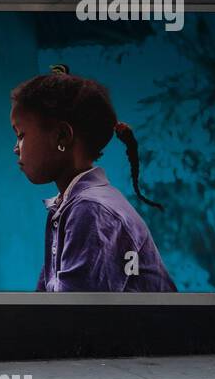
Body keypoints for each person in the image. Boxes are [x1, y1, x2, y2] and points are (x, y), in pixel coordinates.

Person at [11, 65, 177, 292]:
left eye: (21, 135)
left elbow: (74, 316)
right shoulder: (69, 208)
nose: (16, 148)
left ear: (62, 136)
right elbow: (45, 306)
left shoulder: (91, 209)